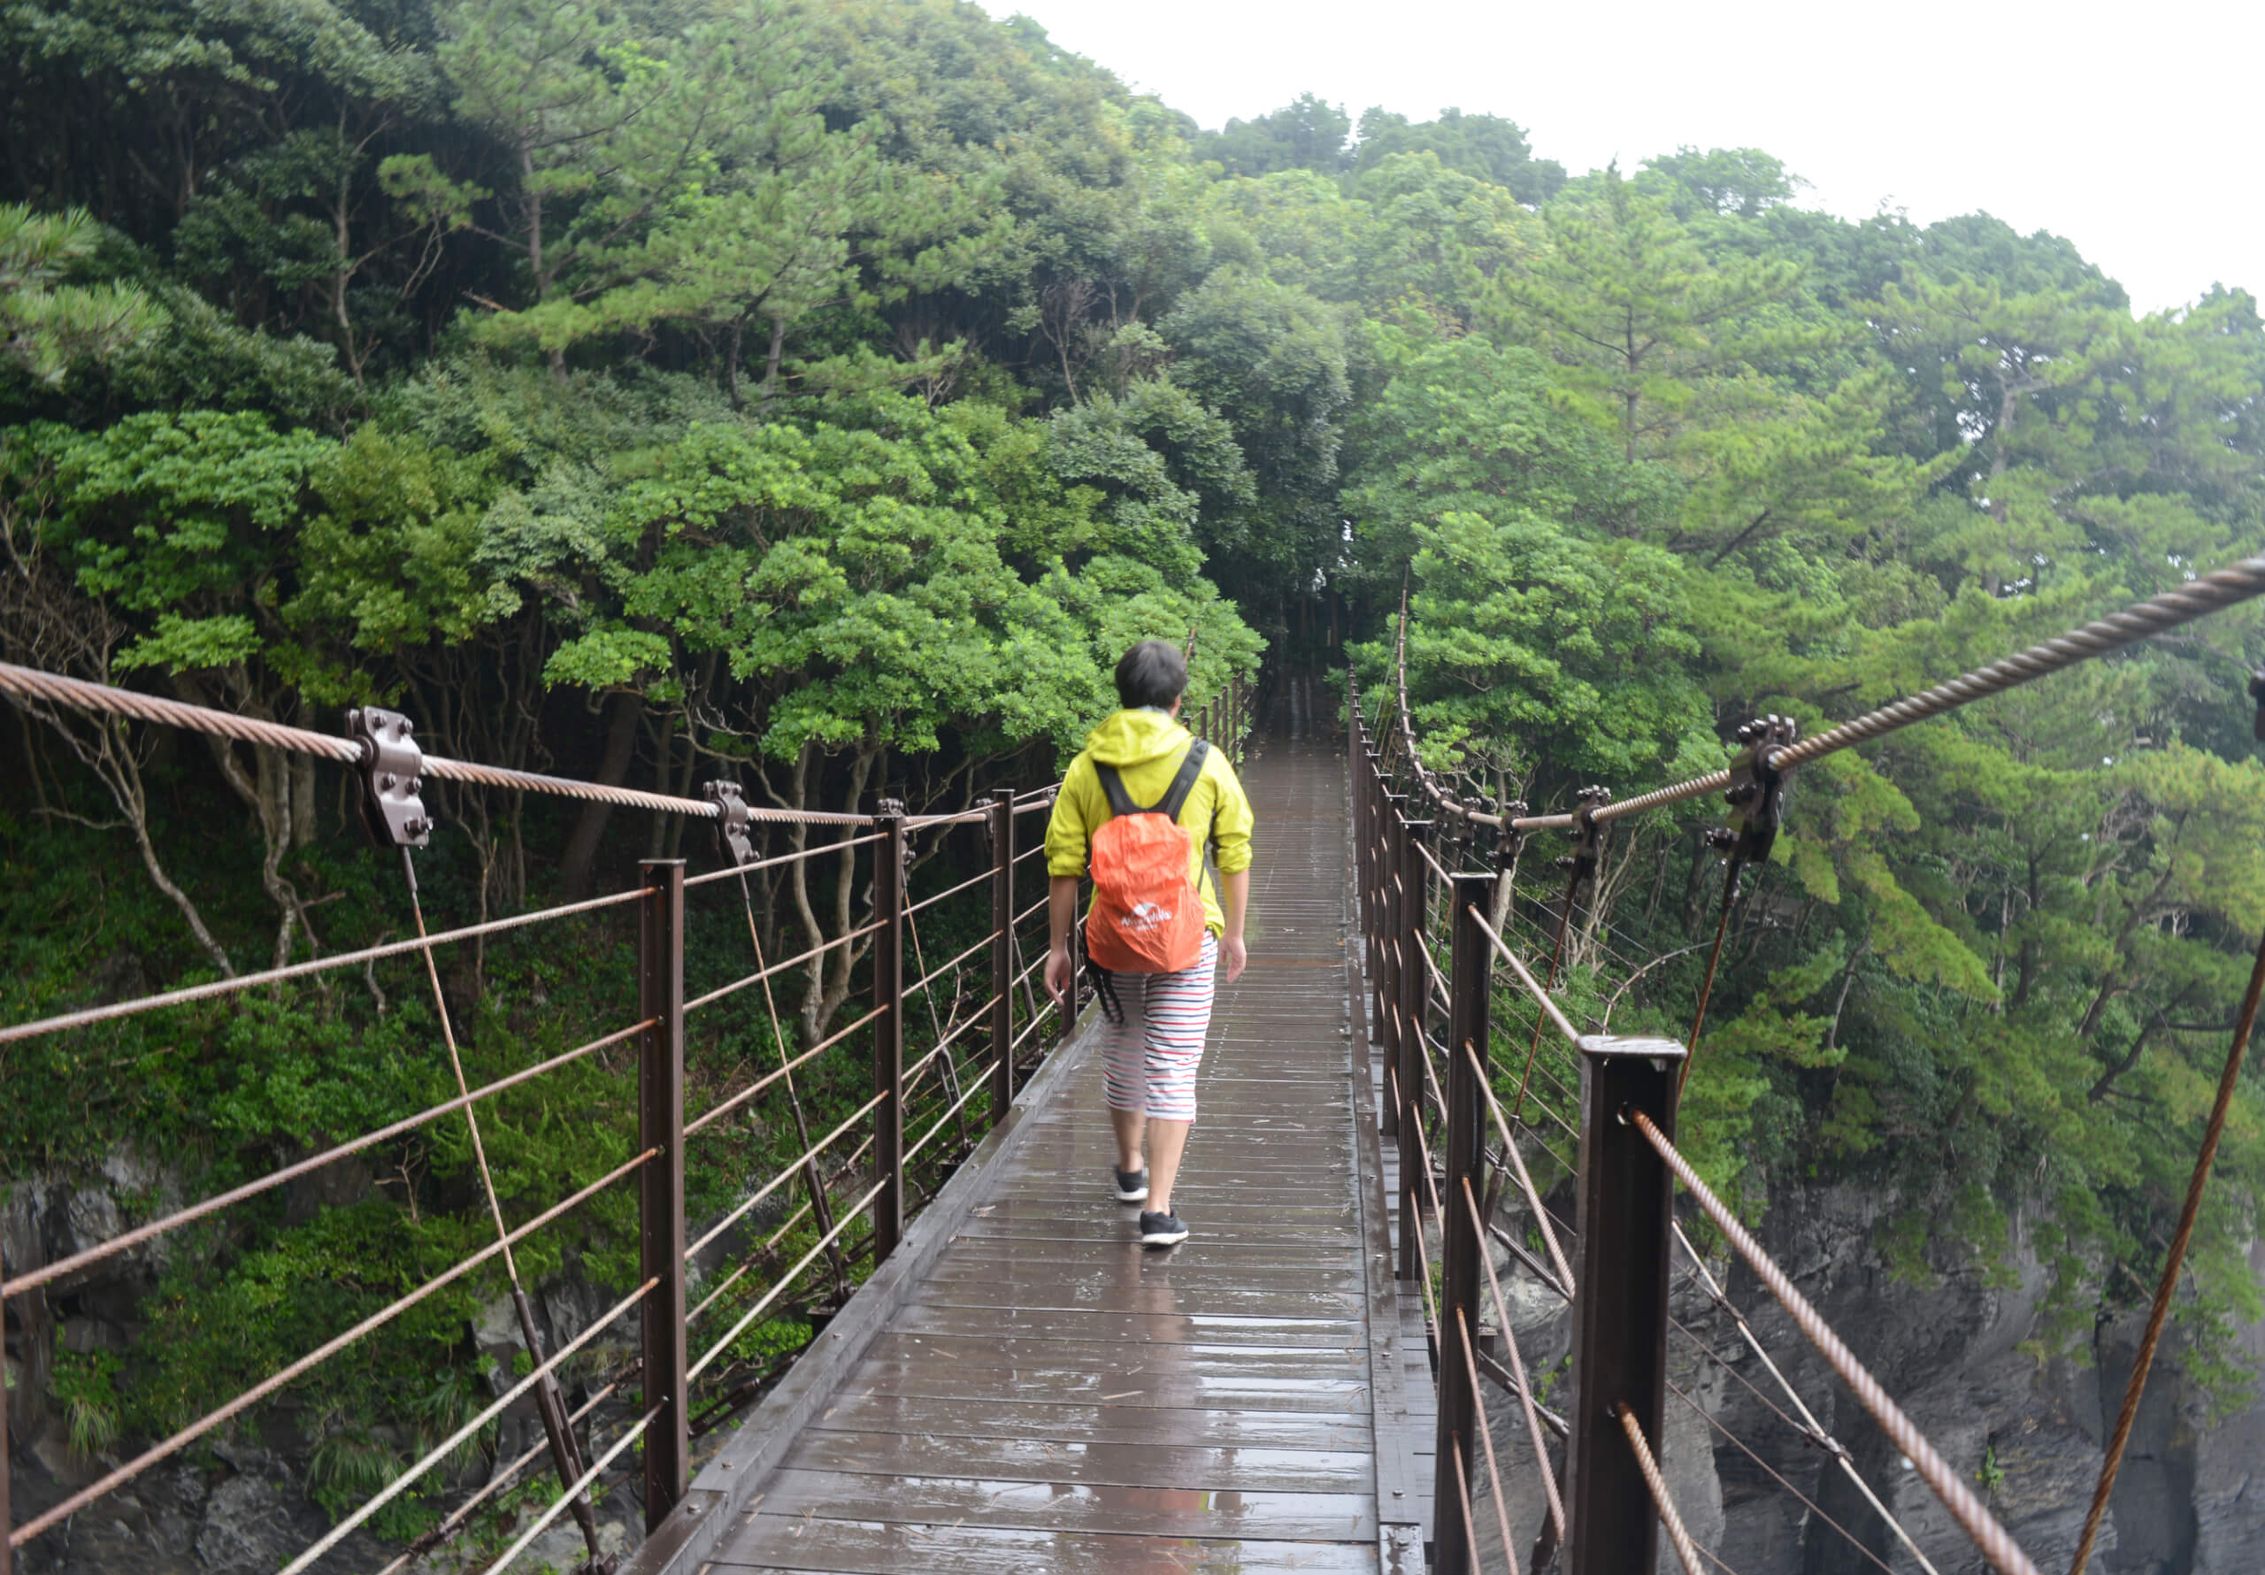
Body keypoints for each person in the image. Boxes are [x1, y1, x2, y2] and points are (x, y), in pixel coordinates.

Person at [1043, 641, 1253, 1247]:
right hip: (1186, 940)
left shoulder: (1087, 767)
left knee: (1125, 1053)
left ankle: (1131, 1170)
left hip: (1111, 939)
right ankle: (1158, 1212)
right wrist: (1234, 933)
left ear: (1122, 695)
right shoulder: (1206, 761)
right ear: (1178, 700)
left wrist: (1060, 948)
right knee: (1173, 1067)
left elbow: (1063, 864)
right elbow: (1234, 852)